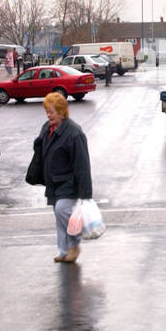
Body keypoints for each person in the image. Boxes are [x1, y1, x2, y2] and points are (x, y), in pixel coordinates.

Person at [38, 92, 93, 264]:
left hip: (69, 182)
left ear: (62, 112)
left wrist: (85, 193)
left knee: (62, 210)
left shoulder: (74, 133)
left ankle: (77, 240)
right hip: (53, 182)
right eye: (47, 111)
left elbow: (82, 163)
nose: (48, 115)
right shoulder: (47, 128)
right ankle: (63, 252)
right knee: (59, 217)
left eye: (51, 112)